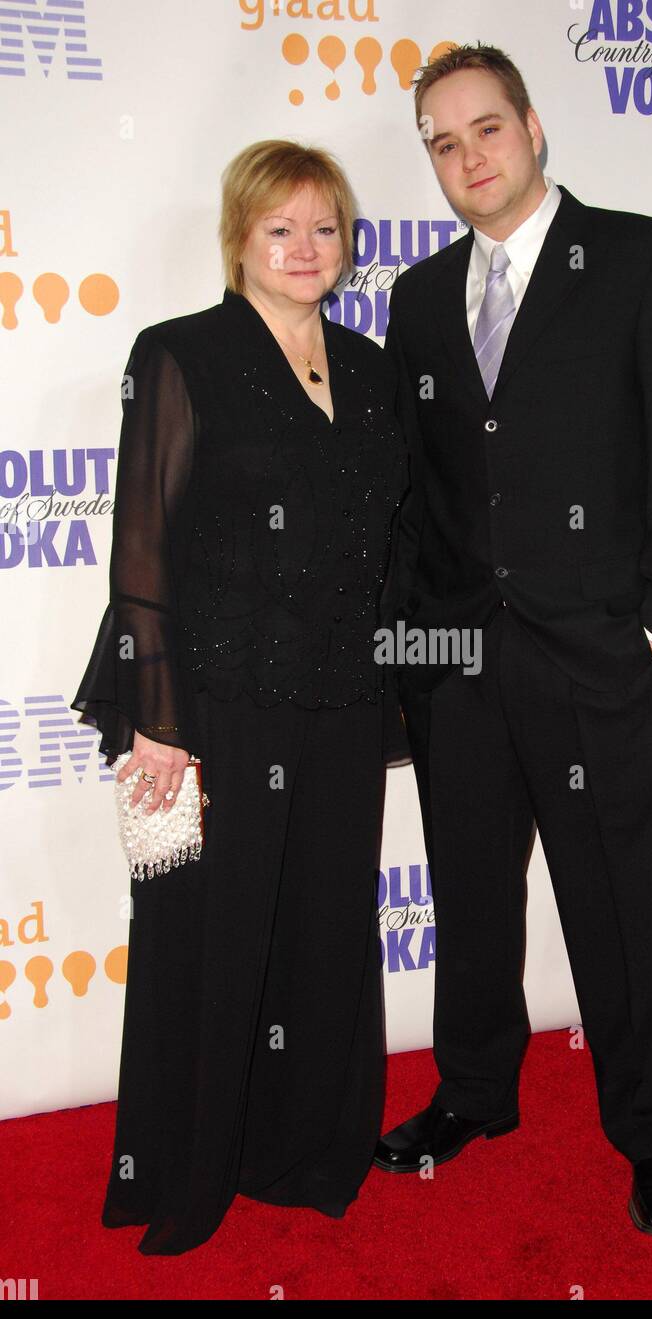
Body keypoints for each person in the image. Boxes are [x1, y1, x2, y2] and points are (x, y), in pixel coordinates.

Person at [374, 44, 652, 1235]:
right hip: (461, 670)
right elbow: (419, 496)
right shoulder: (417, 299)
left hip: (600, 659)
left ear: (532, 129)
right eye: (441, 141)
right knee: (471, 903)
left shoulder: (639, 259)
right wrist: (416, 657)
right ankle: (475, 1092)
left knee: (624, 911)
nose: (466, 156)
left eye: (484, 128)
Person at [72, 139, 408, 1255]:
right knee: (210, 936)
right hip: (218, 699)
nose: (306, 249)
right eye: (281, 229)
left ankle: (306, 1149)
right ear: (239, 240)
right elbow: (144, 549)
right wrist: (158, 720)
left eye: (325, 227)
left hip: (342, 697)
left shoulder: (369, 369)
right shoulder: (182, 354)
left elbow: (393, 541)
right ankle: (192, 1163)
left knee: (320, 927)